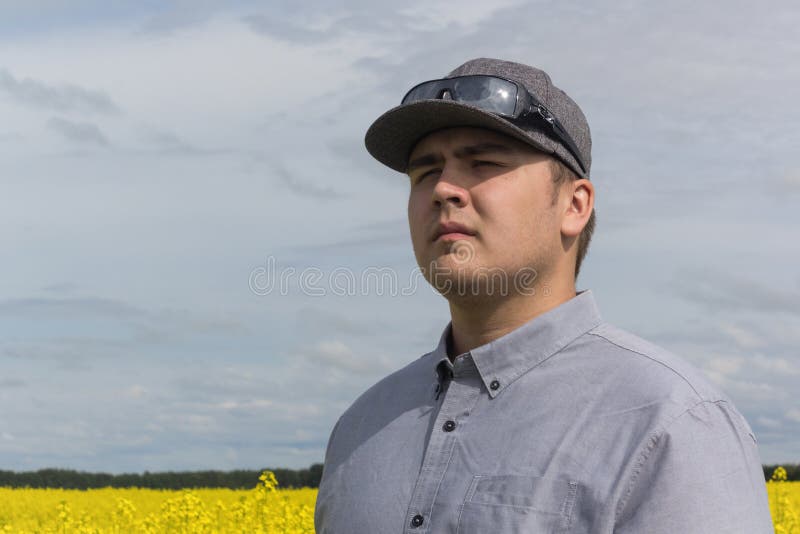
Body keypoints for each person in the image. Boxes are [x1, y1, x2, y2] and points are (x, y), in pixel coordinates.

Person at [314, 58, 774, 533]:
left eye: (483, 163)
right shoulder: (359, 428)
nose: (444, 189)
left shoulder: (672, 425)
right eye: (424, 172)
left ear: (574, 206)